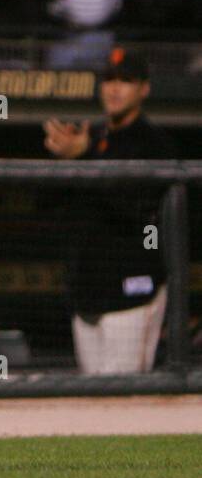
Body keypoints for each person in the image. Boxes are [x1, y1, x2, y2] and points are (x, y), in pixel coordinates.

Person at [43, 48, 176, 375]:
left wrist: (85, 155)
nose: (114, 88)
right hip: (88, 294)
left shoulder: (153, 142)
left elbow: (133, 202)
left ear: (144, 89)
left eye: (126, 81)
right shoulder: (94, 137)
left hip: (132, 292)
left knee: (126, 402)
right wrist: (66, 160)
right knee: (96, 406)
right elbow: (51, 207)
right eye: (109, 80)